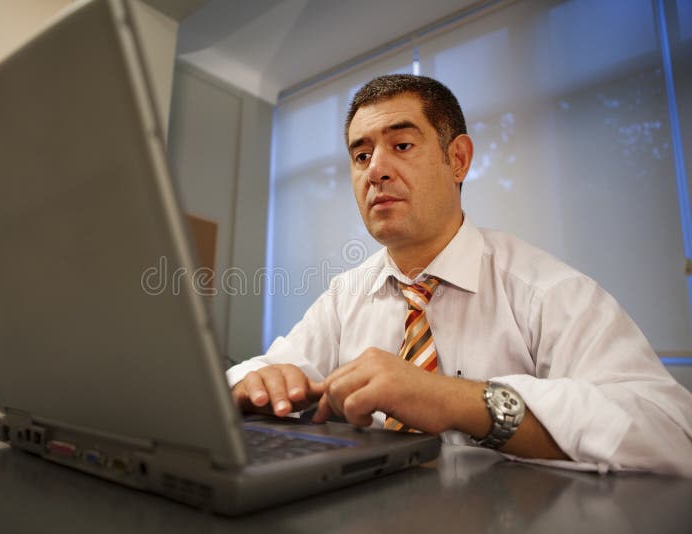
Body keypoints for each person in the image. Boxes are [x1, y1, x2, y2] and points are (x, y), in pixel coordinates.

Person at [226, 74, 692, 475]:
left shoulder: (547, 291)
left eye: (402, 145)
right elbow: (264, 373)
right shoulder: (343, 297)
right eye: (361, 156)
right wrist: (254, 384)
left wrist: (461, 401)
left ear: (459, 160)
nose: (376, 171)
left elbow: (670, 430)